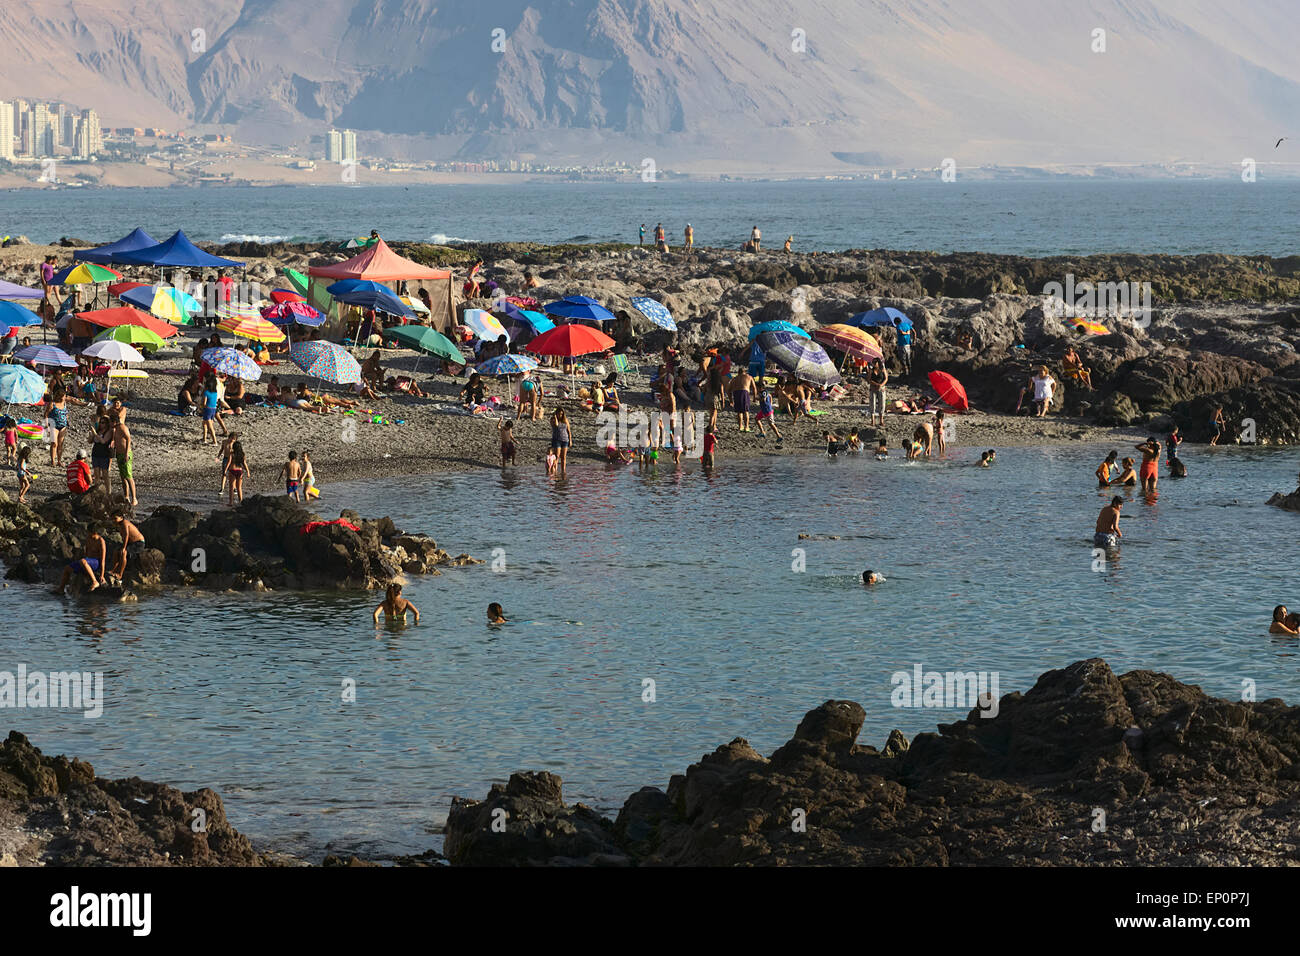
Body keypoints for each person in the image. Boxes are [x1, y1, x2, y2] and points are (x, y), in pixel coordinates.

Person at [57, 530, 107, 594]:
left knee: (83, 561)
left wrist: (102, 575)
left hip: (96, 563)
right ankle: (61, 589)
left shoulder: (101, 541)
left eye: (89, 532)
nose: (87, 534)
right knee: (67, 568)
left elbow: (103, 560)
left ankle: (95, 582)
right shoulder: (88, 539)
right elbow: (86, 554)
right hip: (87, 562)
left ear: (94, 532)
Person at [109, 511, 145, 585]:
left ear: (121, 518)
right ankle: (113, 570)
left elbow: (126, 536)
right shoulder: (119, 524)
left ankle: (120, 574)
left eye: (115, 518)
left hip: (139, 543)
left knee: (124, 552)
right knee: (116, 551)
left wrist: (124, 547)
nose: (113, 520)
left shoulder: (125, 523)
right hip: (131, 543)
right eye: (112, 519)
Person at [111, 411, 137, 507]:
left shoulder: (122, 427)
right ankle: (126, 496)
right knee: (123, 476)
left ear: (114, 421)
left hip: (125, 454)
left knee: (128, 476)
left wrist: (126, 454)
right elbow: (116, 439)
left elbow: (128, 439)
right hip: (119, 454)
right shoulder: (115, 429)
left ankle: (134, 498)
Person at [46, 383, 70, 467]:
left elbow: (66, 413)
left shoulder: (64, 404)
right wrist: (47, 426)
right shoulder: (52, 404)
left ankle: (59, 460)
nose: (65, 397)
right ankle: (52, 461)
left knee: (60, 444)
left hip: (63, 426)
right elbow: (46, 415)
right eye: (64, 396)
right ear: (60, 396)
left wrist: (67, 420)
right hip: (53, 425)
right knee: (54, 443)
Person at [201, 374, 226, 443]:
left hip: (207, 410)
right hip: (213, 409)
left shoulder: (206, 393)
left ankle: (215, 441)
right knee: (205, 424)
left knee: (210, 426)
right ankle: (204, 438)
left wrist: (201, 407)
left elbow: (204, 403)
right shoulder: (215, 393)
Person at [224, 440, 250, 506]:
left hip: (232, 470)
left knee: (231, 487)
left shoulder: (231, 454)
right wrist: (248, 471)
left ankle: (231, 502)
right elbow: (244, 463)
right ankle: (241, 501)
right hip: (239, 471)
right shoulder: (242, 454)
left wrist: (225, 470)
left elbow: (229, 462)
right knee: (239, 487)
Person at [867, 358, 888, 427]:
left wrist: (881, 385)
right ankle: (872, 421)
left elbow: (886, 378)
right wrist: (876, 384)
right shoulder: (871, 370)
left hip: (881, 389)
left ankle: (881, 420)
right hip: (873, 388)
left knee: (882, 404)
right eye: (873, 363)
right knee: (872, 404)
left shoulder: (882, 369)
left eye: (874, 363)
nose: (873, 364)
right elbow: (869, 379)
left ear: (878, 363)